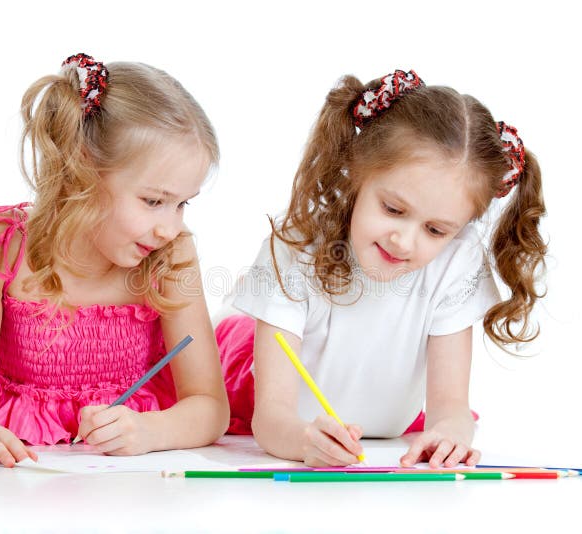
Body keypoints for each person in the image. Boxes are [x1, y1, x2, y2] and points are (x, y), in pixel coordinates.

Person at [0, 53, 230, 467]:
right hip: (17, 383)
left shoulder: (170, 253)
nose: (170, 228)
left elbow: (210, 406)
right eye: (154, 201)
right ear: (83, 169)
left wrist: (150, 430)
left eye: (182, 204)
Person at [215, 68, 546, 468]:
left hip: (380, 413)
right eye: (393, 209)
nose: (404, 241)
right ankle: (242, 306)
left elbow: (452, 409)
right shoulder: (297, 244)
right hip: (249, 376)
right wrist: (303, 440)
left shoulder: (456, 260)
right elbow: (270, 418)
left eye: (435, 229)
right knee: (236, 337)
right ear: (356, 173)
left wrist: (449, 437)